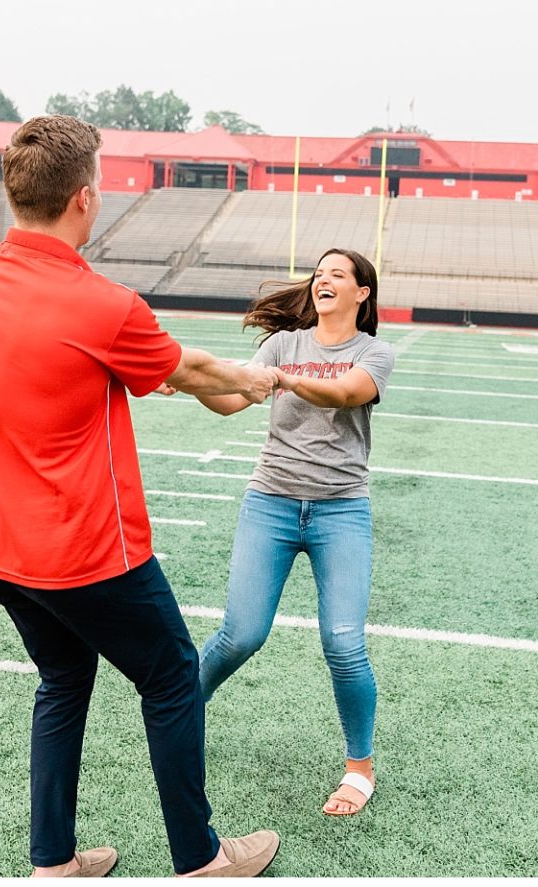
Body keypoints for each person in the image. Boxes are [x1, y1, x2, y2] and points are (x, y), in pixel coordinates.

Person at [0, 115, 282, 878]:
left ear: (13, 192)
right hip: (84, 553)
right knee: (169, 674)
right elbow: (190, 372)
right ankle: (202, 860)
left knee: (63, 677)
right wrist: (254, 380)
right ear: (86, 200)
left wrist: (213, 382)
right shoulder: (103, 303)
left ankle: (53, 861)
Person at [190, 248, 395, 818]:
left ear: (362, 294)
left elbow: (344, 393)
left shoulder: (374, 353)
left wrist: (283, 378)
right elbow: (233, 400)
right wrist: (188, 385)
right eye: (318, 275)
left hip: (340, 511)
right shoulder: (282, 344)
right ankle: (183, 713)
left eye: (338, 276)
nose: (324, 281)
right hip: (271, 503)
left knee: (344, 644)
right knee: (241, 635)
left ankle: (360, 768)